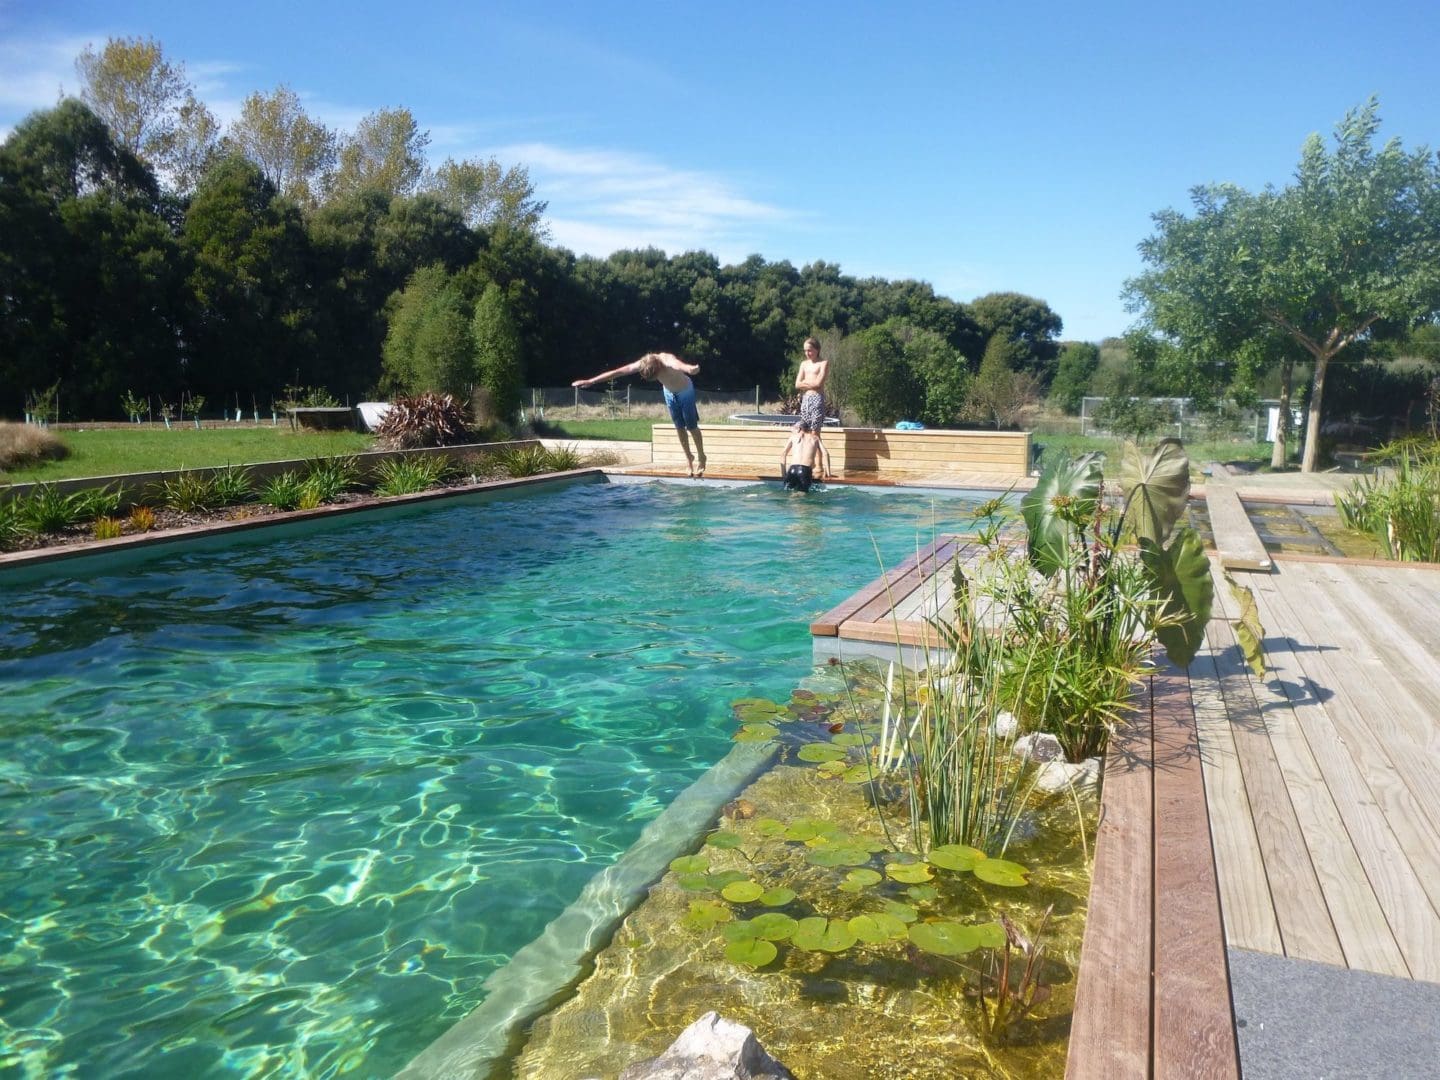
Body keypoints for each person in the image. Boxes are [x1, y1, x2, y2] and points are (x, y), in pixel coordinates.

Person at [572, 352, 707, 478]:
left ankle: (701, 457)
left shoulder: (666, 360)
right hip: (669, 393)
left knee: (691, 426)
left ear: (658, 367)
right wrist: (591, 381)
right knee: (679, 427)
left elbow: (680, 365)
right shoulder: (644, 363)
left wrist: (691, 369)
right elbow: (618, 372)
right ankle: (688, 458)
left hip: (685, 391)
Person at [780, 421, 831, 493]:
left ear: (799, 429)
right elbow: (826, 454)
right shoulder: (815, 438)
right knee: (801, 496)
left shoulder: (793, 437)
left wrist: (784, 474)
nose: (793, 431)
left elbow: (783, 454)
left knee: (789, 494)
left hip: (792, 470)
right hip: (805, 470)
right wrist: (829, 473)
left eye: (794, 429)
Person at [794, 337, 830, 432]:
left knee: (815, 433)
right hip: (806, 399)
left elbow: (818, 384)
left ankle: (818, 447)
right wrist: (812, 384)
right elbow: (797, 384)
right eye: (805, 351)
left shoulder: (823, 363)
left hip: (817, 399)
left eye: (809, 350)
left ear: (817, 349)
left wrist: (805, 383)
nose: (807, 353)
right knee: (803, 431)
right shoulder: (803, 364)